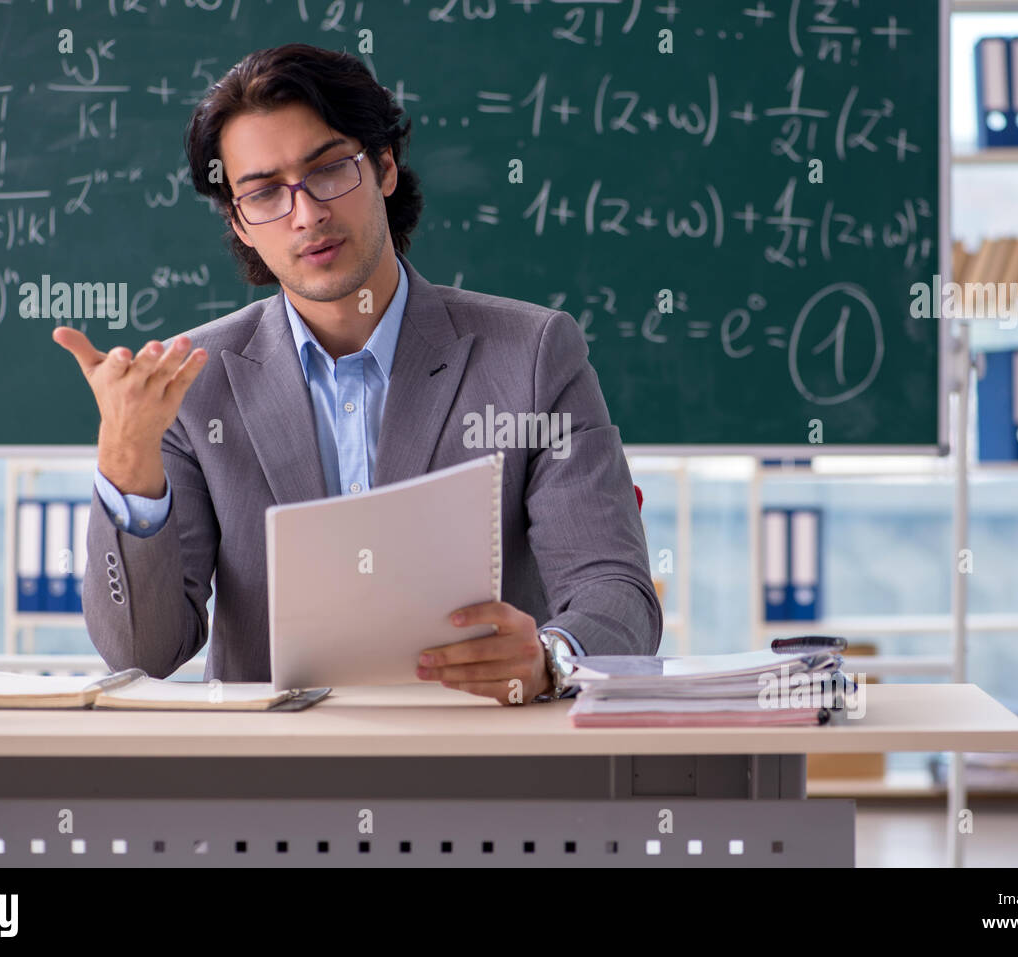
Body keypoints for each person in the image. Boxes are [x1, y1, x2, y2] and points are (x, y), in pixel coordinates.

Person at [53, 43, 660, 704]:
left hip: (481, 767)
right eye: (263, 193)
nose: (307, 213)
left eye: (330, 170)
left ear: (385, 167)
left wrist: (550, 657)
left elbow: (615, 591)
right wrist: (125, 462)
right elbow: (145, 651)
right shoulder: (191, 387)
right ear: (239, 223)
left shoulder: (534, 355)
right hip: (272, 784)